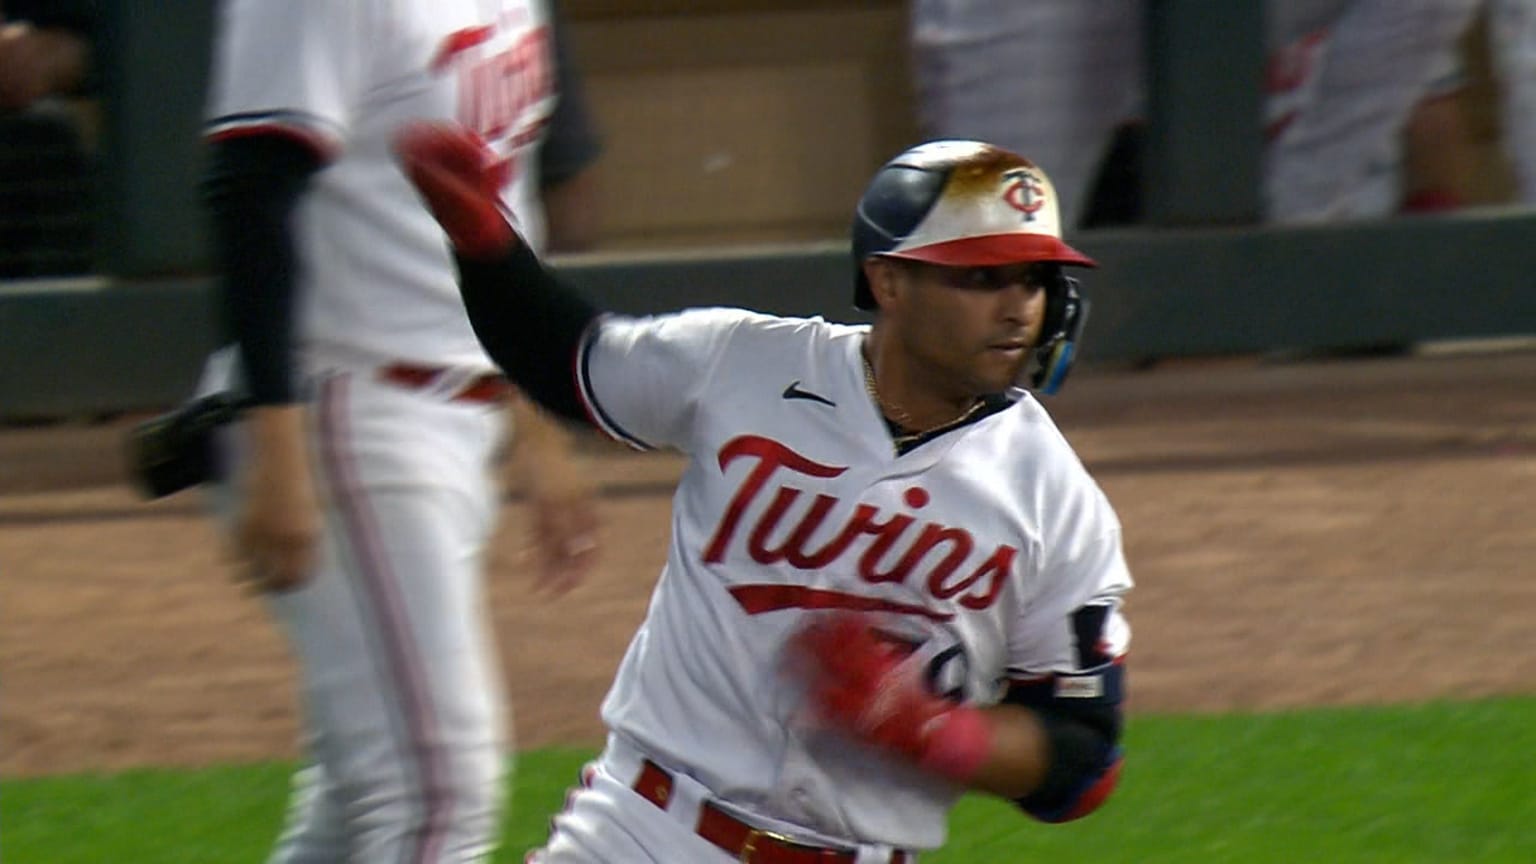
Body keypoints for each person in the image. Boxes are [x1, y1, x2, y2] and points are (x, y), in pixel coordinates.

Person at [394, 125, 1134, 862]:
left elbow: (1083, 760)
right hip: (645, 832)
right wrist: (483, 240)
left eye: (1034, 279)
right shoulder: (742, 365)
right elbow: (571, 363)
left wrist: (931, 728)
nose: (1017, 308)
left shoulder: (1056, 499)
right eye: (981, 277)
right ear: (889, 281)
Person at [198, 1, 601, 860]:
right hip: (344, 402)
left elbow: (492, 203)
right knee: (435, 792)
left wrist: (536, 421)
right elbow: (249, 195)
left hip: (458, 408)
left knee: (357, 801)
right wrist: (277, 449)